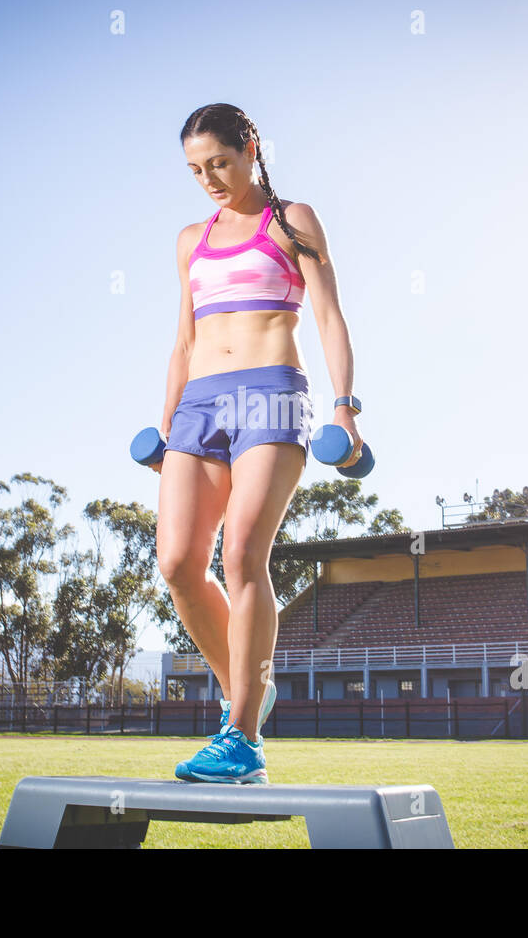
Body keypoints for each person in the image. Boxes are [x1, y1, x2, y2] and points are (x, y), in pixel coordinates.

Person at [150, 103, 364, 783]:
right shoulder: (191, 239)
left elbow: (329, 315)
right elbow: (183, 340)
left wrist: (347, 408)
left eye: (220, 162)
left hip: (272, 392)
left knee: (242, 553)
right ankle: (250, 687)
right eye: (196, 169)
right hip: (200, 405)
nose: (210, 178)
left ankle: (241, 736)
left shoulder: (292, 220)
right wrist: (165, 427)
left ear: (251, 148)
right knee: (179, 564)